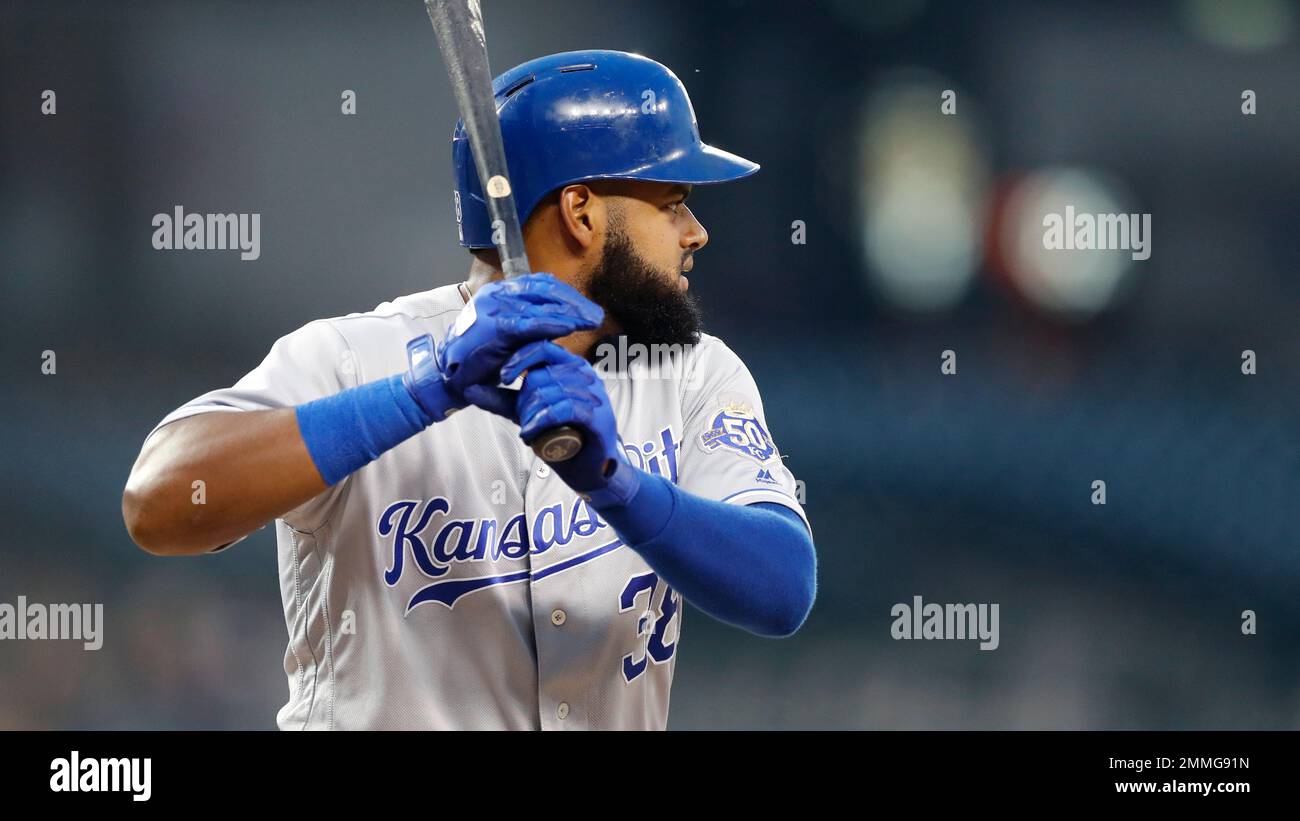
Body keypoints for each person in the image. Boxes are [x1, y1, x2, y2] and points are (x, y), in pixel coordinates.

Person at [123, 50, 815, 730]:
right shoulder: (354, 358)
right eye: (672, 202)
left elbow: (783, 589)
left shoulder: (693, 374)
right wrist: (422, 393)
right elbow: (158, 503)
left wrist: (615, 484)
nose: (697, 232)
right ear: (581, 212)